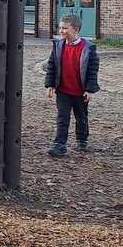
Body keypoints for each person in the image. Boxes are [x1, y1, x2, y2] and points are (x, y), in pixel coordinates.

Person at [44, 14, 100, 156]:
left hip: (80, 92)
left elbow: (92, 71)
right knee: (62, 118)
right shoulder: (58, 46)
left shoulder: (88, 48)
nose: (61, 31)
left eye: (64, 28)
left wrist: (90, 89)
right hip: (63, 90)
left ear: (75, 29)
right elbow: (52, 66)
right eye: (60, 28)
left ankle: (82, 140)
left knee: (81, 117)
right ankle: (60, 144)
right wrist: (50, 85)